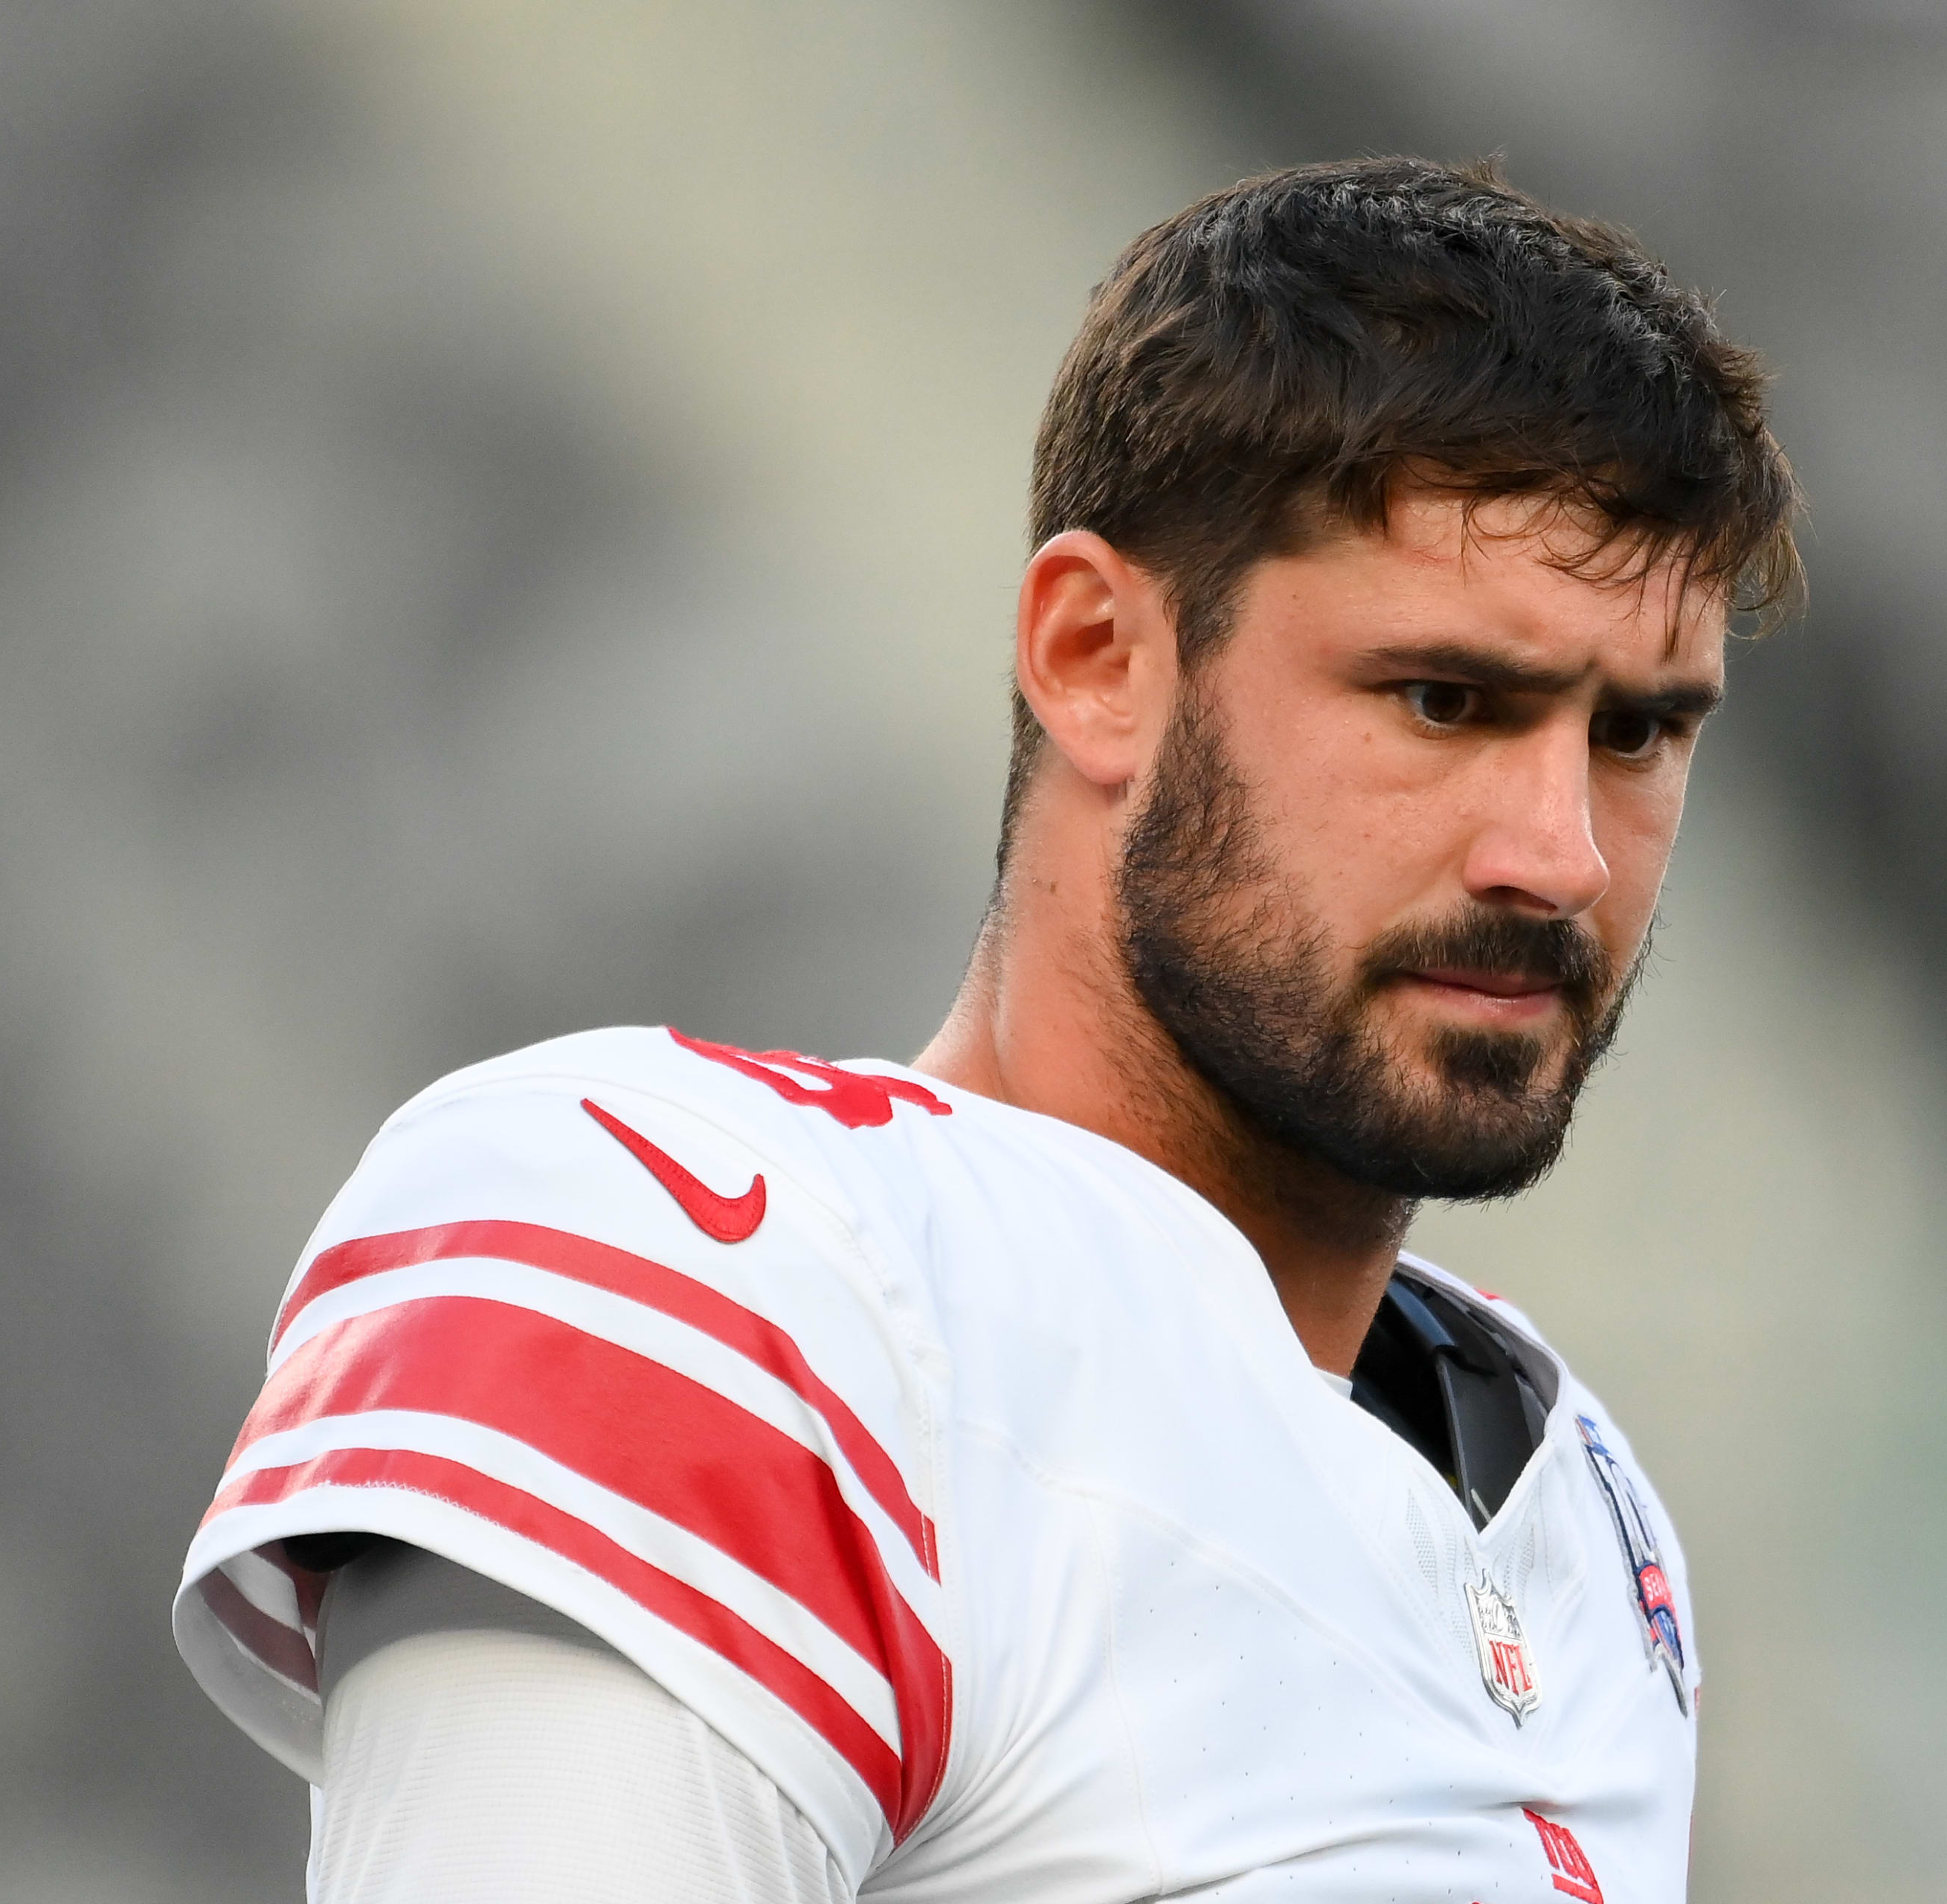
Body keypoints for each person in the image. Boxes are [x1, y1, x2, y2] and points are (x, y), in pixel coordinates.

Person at [173, 155, 1800, 1903]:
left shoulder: (1583, 1506)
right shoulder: (736, 1269)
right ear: (1099, 655)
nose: (1559, 855)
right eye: (1445, 698)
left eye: (1636, 733)